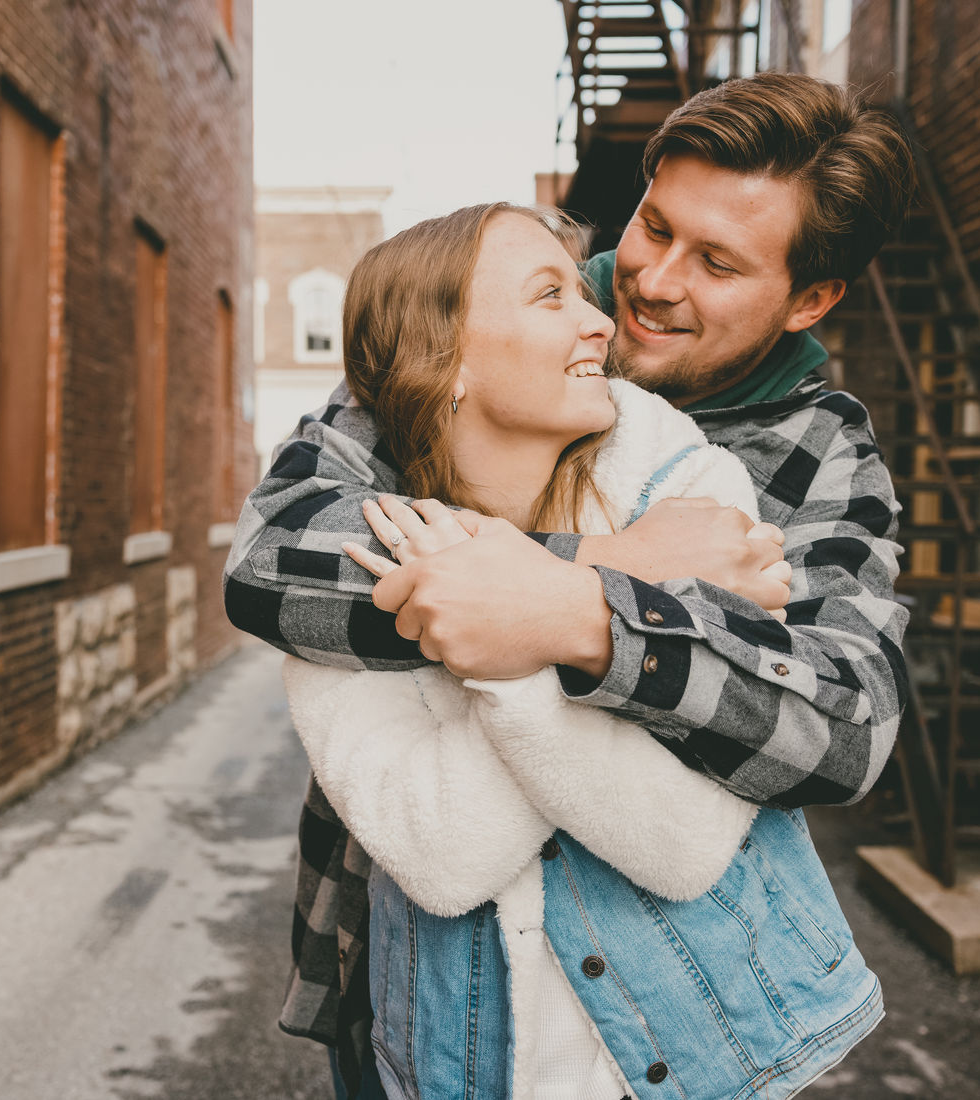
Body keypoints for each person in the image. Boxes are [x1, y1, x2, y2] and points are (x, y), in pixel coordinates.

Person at [224, 72, 916, 1098]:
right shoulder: (472, 310)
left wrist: (577, 624)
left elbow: (842, 725)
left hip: (676, 996)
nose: (648, 280)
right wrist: (609, 575)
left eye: (718, 262)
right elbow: (275, 561)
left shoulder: (814, 451)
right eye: (653, 223)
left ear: (808, 299)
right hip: (411, 961)